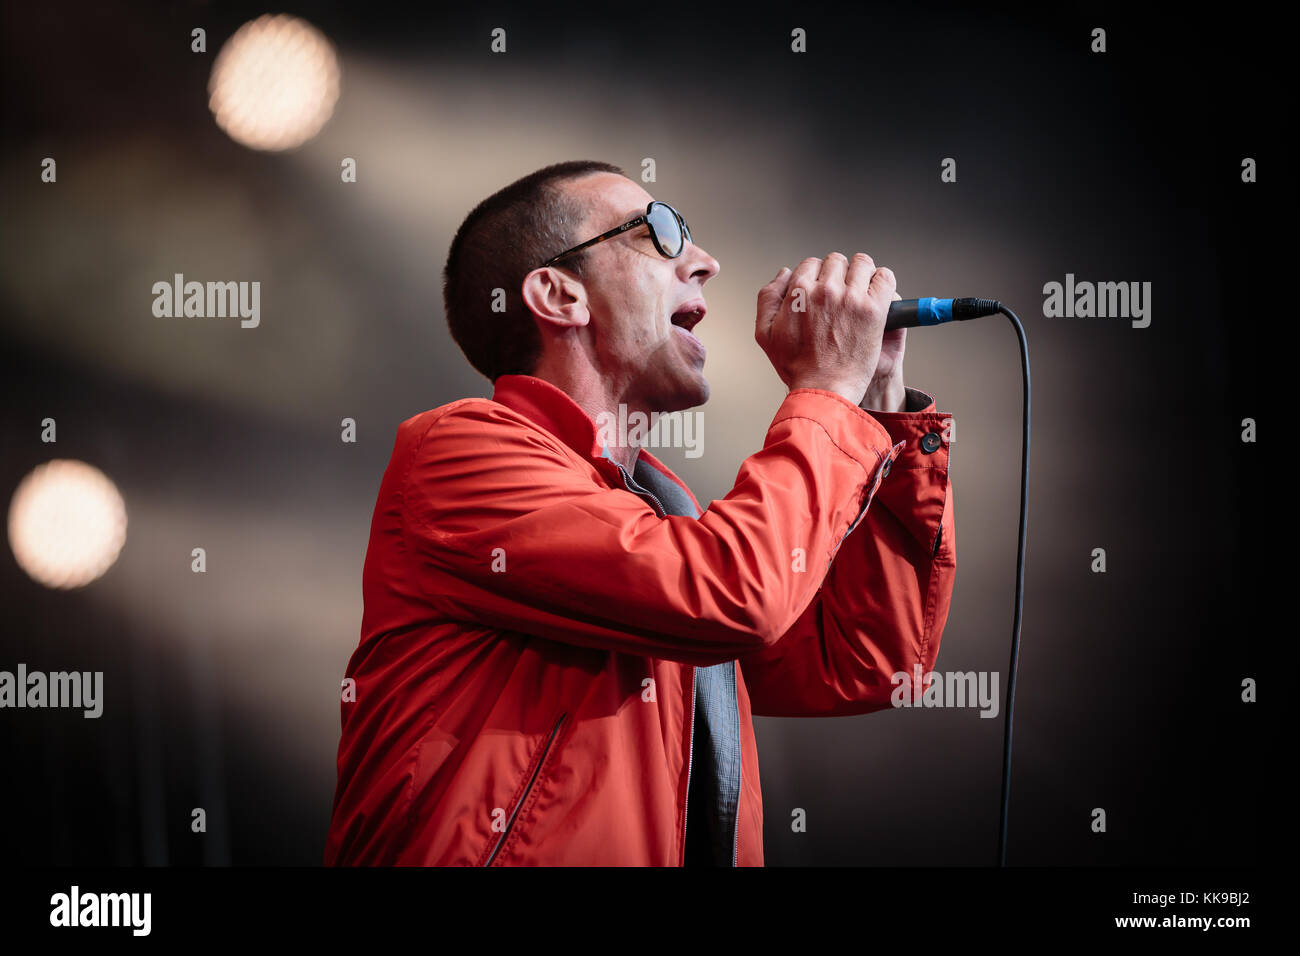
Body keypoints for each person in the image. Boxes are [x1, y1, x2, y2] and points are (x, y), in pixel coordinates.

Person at [324, 160, 957, 866]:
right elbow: (735, 594)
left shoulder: (661, 518)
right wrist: (827, 392)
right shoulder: (456, 453)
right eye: (659, 231)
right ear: (560, 295)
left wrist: (874, 408)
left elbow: (863, 659)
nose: (707, 262)